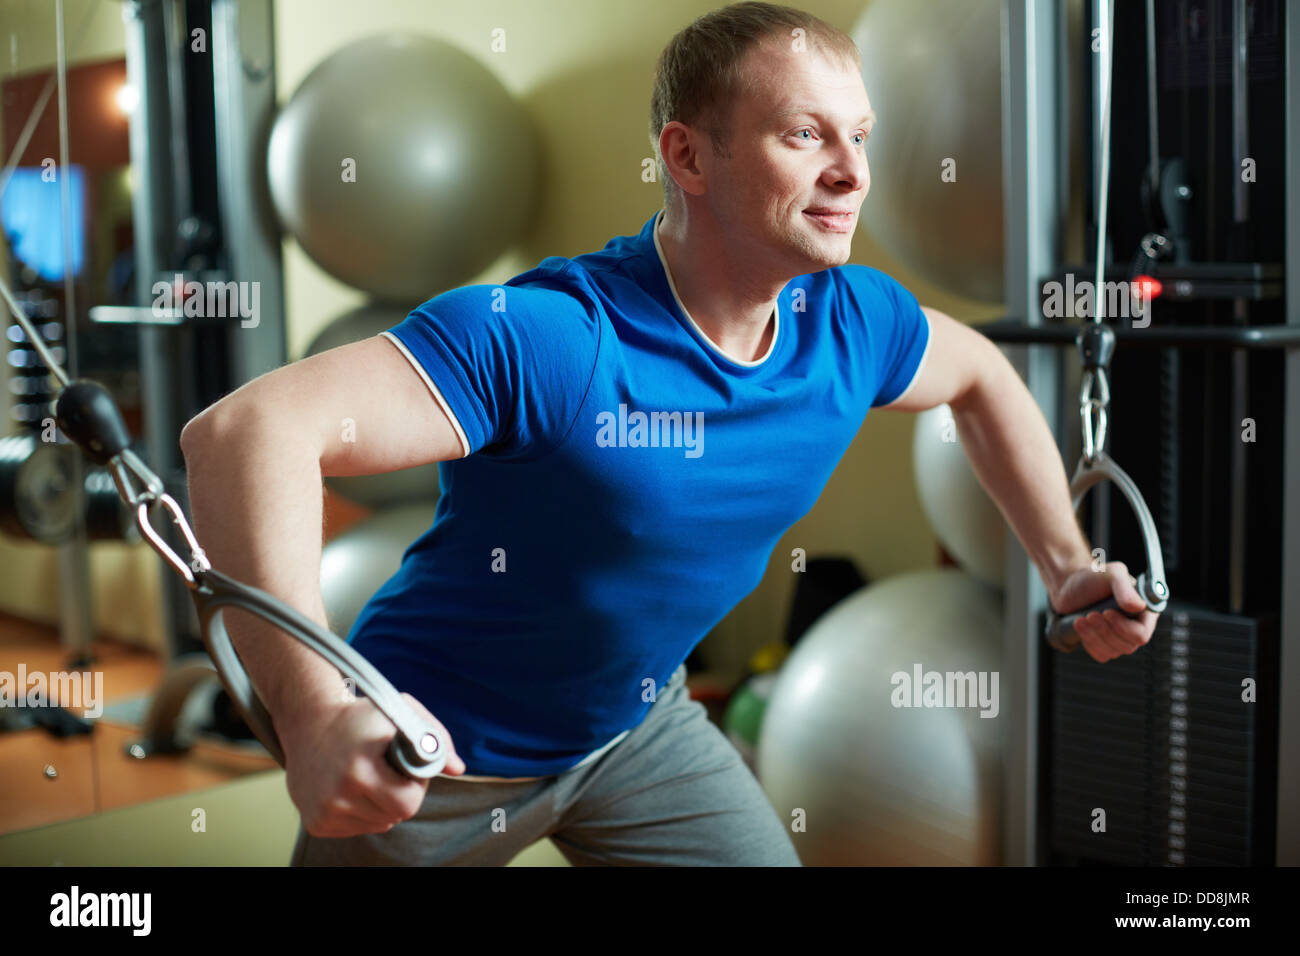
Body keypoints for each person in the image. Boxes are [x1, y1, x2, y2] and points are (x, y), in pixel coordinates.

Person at [180, 1, 1159, 866]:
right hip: (436, 751)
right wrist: (312, 713)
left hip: (635, 725)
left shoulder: (854, 322)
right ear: (688, 155)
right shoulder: (556, 336)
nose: (852, 172)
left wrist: (1063, 564)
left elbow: (983, 376)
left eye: (860, 136)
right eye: (805, 135)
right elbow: (242, 430)